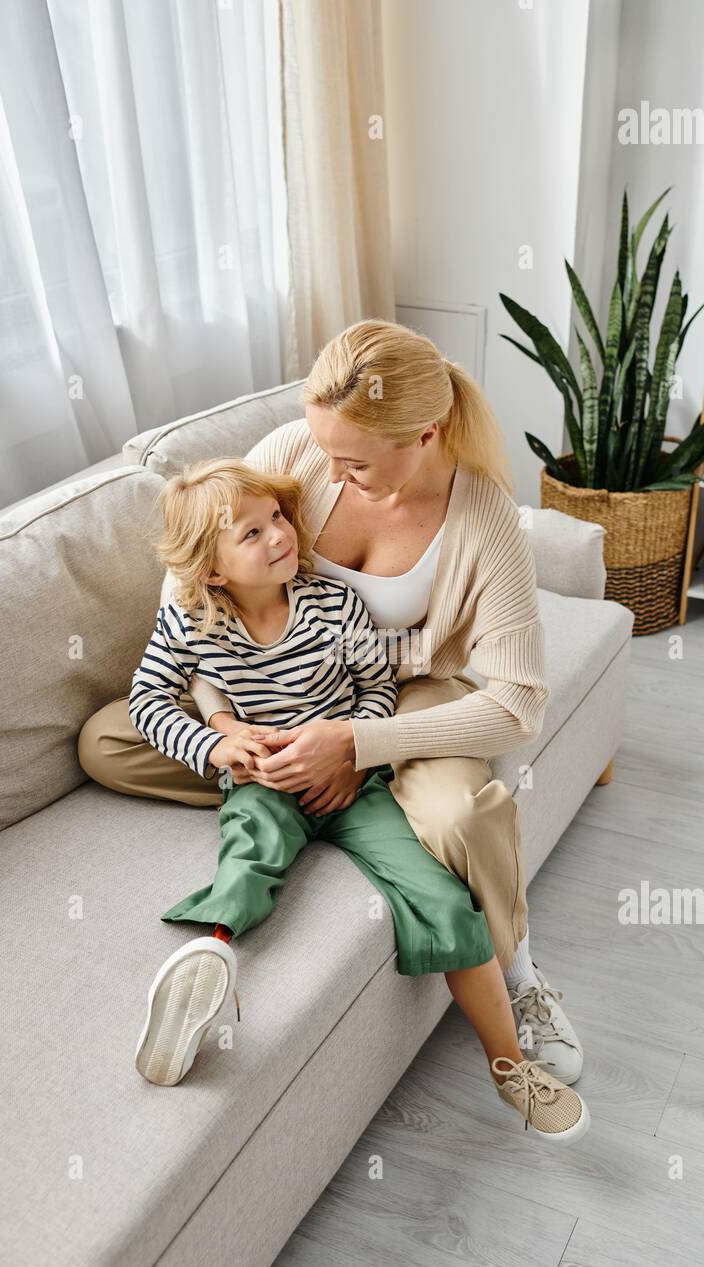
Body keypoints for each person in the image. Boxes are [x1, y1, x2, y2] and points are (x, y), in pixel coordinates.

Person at [79, 316, 584, 1088]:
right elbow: (194, 581)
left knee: (459, 816)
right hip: (256, 691)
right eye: (324, 450)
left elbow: (518, 706)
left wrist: (353, 746)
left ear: (424, 434)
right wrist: (221, 724)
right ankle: (297, 801)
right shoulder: (296, 449)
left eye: (353, 463)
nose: (327, 474)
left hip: (398, 688)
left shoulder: (484, 519)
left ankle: (522, 977)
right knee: (105, 740)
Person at [126, 458, 588, 1144]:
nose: (281, 535)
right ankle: (212, 957)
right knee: (250, 854)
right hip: (267, 786)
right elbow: (145, 700)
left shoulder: (332, 605)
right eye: (252, 534)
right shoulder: (192, 624)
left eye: (277, 518)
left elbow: (377, 687)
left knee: (437, 895)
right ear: (214, 570)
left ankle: (510, 1066)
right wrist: (216, 747)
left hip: (355, 785)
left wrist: (353, 747)